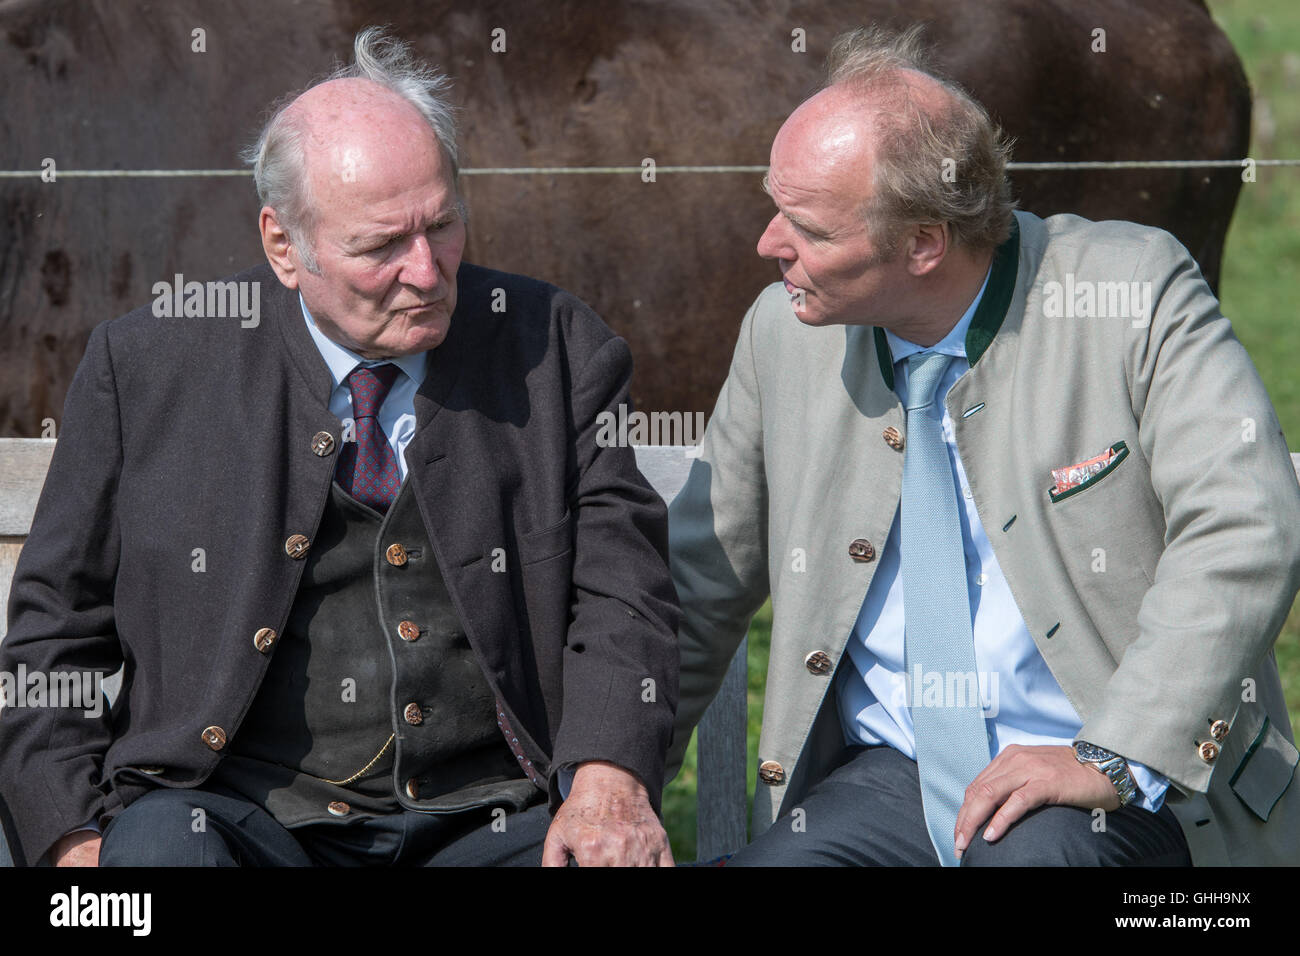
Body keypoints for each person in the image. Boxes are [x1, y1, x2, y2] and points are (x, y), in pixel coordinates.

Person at [0, 28, 679, 867]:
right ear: (285, 245)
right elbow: (50, 644)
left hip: (491, 819)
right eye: (381, 245)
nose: (427, 272)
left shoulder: (559, 348)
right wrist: (71, 841)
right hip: (231, 820)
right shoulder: (147, 368)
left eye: (443, 225)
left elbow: (624, 594)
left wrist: (608, 779)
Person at [667, 25, 1300, 866]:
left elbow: (1245, 527)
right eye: (775, 207)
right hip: (887, 779)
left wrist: (1116, 750)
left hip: (1113, 788)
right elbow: (701, 578)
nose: (768, 245)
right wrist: (606, 772)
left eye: (809, 229)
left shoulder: (1133, 293)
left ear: (924, 244)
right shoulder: (782, 333)